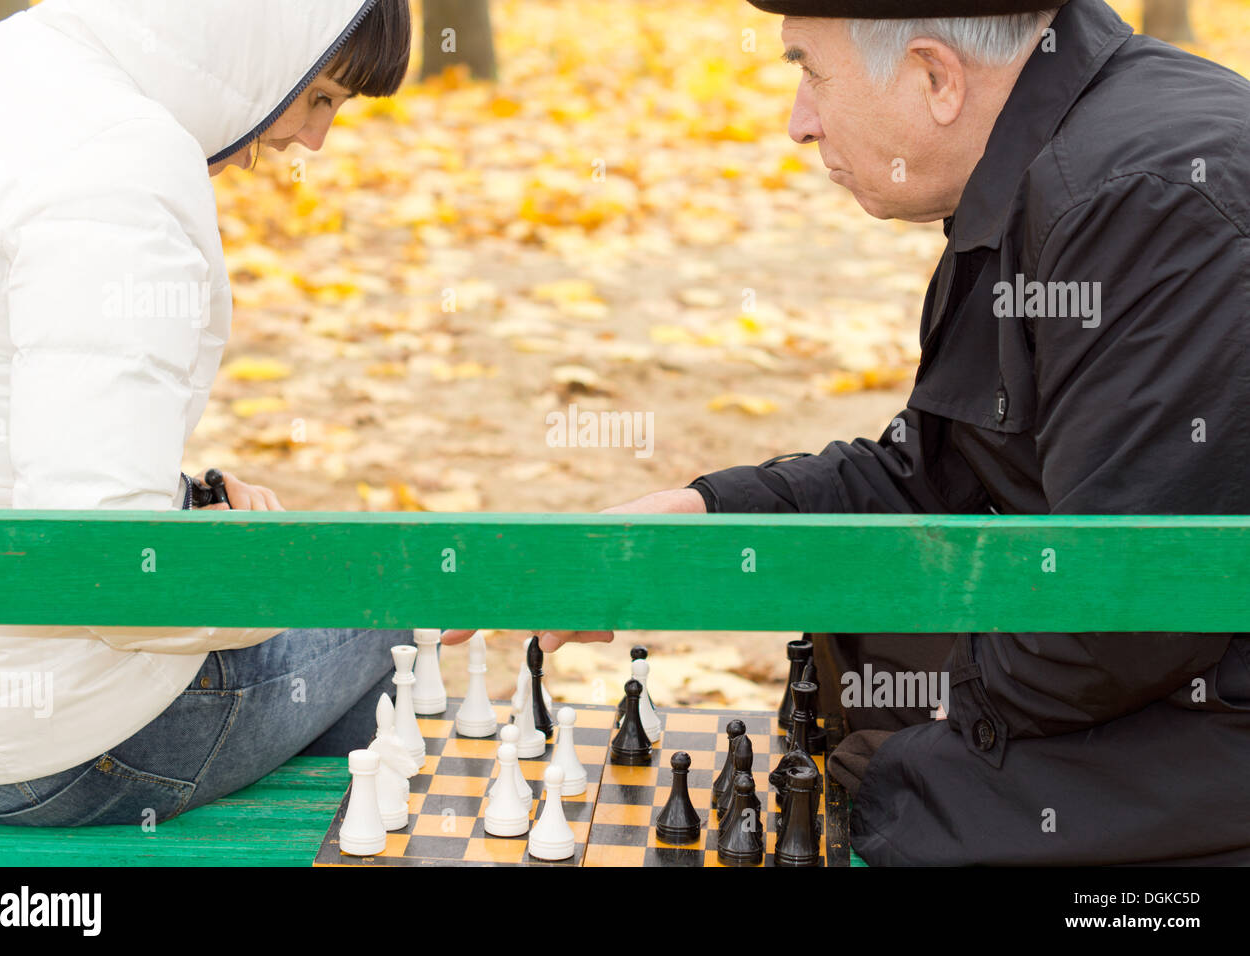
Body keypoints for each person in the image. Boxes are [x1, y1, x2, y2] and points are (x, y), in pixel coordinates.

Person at [447, 0, 1250, 865]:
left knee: (886, 794)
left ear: (936, 78)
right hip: (1148, 653)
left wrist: (918, 733)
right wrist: (698, 522)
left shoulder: (1142, 199)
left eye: (807, 70)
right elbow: (934, 477)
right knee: (856, 712)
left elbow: (1118, 611)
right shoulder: (1050, 159)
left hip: (1195, 712)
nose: (799, 124)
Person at [0, 0, 415, 826]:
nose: (314, 140)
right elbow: (103, 563)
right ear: (262, 41)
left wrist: (186, 507)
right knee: (398, 611)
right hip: (41, 747)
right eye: (322, 97)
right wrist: (262, 571)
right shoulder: (120, 164)